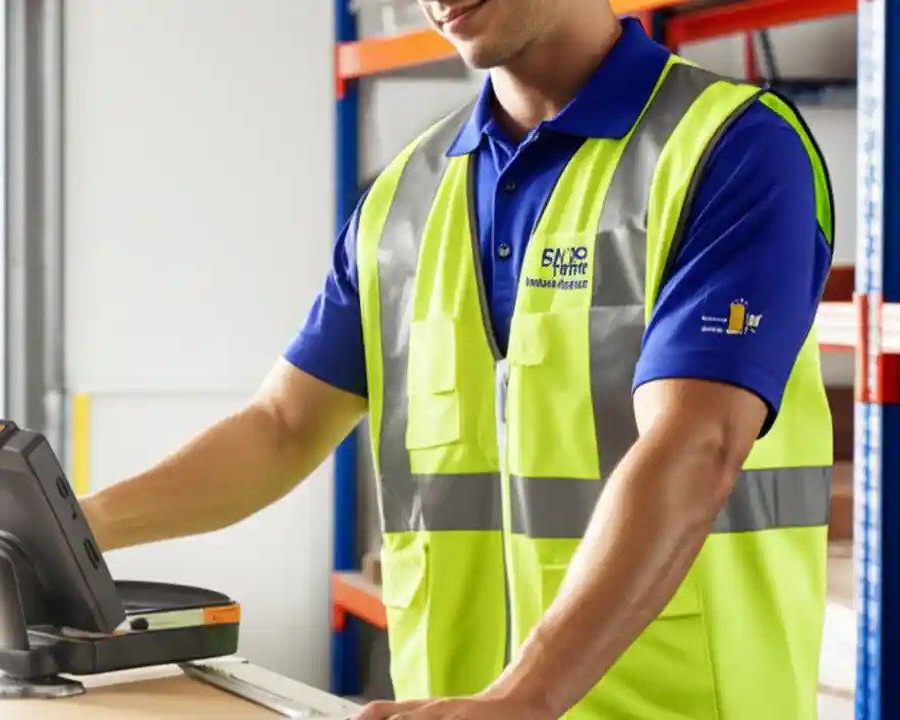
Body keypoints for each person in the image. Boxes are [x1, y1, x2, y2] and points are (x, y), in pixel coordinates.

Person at [81, 0, 835, 717]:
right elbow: (280, 427)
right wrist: (74, 533)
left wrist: (527, 695)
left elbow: (695, 441)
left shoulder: (729, 148)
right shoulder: (402, 201)